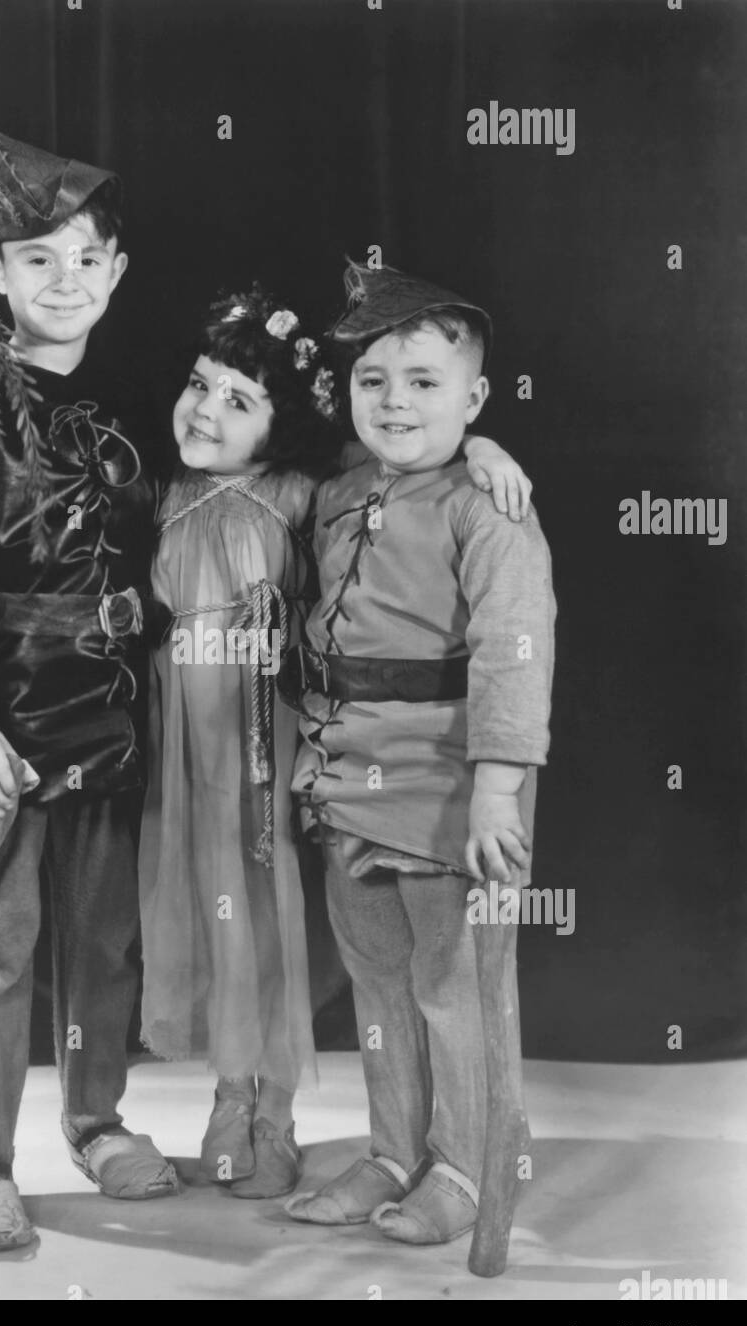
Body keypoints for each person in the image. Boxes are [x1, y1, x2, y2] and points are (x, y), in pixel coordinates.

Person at [139, 283, 536, 1201]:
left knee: (375, 949)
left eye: (239, 400)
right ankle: (310, 1124)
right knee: (291, 945)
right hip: (257, 761)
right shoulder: (206, 494)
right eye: (202, 387)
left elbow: (408, 460)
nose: (208, 412)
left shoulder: (353, 498)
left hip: (341, 757)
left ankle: (409, 1154)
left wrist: (482, 443)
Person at [0, 120, 178, 1250]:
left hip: (113, 710)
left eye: (83, 261)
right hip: (6, 720)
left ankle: (96, 1115)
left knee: (102, 938)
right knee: (0, 942)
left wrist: (483, 455)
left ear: (114, 273)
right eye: (37, 261)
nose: (63, 282)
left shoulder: (144, 406)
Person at [282, 262, 556, 1244]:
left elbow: (513, 656)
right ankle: (393, 1150)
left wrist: (496, 796)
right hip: (344, 784)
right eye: (372, 380)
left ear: (475, 395)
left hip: (446, 792)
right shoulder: (337, 495)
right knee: (377, 979)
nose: (394, 400)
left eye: (425, 382)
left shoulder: (488, 509)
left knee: (452, 986)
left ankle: (464, 1169)